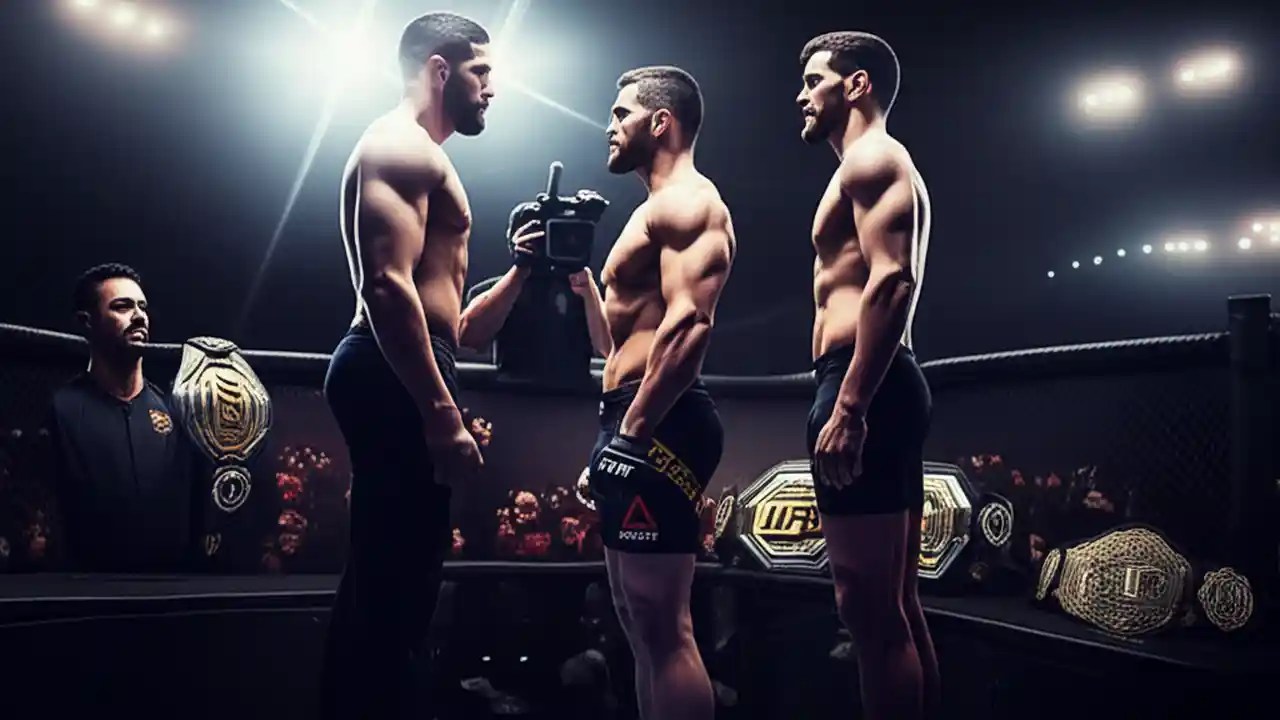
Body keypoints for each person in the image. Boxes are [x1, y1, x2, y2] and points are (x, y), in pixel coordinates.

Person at [318, 11, 492, 718]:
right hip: (394, 371)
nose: (491, 90)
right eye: (482, 73)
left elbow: (441, 306)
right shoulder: (401, 147)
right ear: (440, 70)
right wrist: (441, 411)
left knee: (384, 585)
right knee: (398, 593)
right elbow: (387, 287)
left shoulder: (411, 150)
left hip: (400, 367)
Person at [796, 31, 940, 719]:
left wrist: (848, 407)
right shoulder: (866, 164)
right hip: (872, 382)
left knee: (866, 609)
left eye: (814, 79)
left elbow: (891, 281)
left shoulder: (874, 158)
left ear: (856, 85)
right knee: (894, 606)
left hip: (864, 385)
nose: (801, 94)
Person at [587, 66, 735, 720]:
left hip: (661, 423)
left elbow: (690, 324)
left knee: (663, 626)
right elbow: (618, 347)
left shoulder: (689, 203)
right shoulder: (652, 211)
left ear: (660, 122)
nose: (610, 127)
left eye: (621, 114)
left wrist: (632, 436)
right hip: (629, 417)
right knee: (636, 623)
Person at [46, 263, 195, 572]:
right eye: (122, 307)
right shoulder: (61, 409)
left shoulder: (173, 411)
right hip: (88, 595)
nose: (139, 316)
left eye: (142, 307)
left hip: (168, 594)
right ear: (87, 322)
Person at [458, 224, 612, 359]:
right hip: (512, 389)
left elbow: (610, 349)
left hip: (575, 389)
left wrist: (587, 285)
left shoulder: (581, 291)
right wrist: (521, 268)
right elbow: (467, 339)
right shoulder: (495, 291)